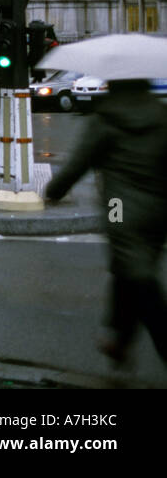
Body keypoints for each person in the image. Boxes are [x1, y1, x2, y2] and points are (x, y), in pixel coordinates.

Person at [45, 79, 167, 367]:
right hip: (159, 210)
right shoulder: (161, 114)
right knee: (129, 268)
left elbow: (79, 162)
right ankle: (119, 339)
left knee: (138, 277)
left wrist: (54, 190)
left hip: (121, 211)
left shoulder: (106, 117)